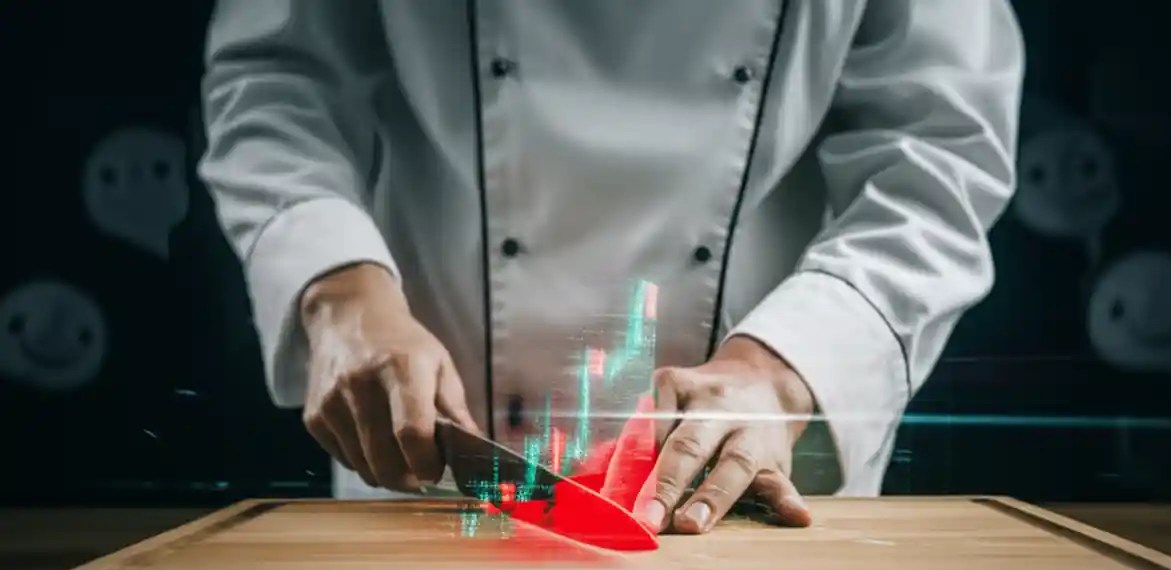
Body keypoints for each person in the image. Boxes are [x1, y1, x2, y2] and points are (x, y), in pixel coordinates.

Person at [198, 0, 1023, 534]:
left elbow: (940, 151)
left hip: (745, 491)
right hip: (428, 473)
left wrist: (781, 367)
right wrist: (338, 289)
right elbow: (277, 82)